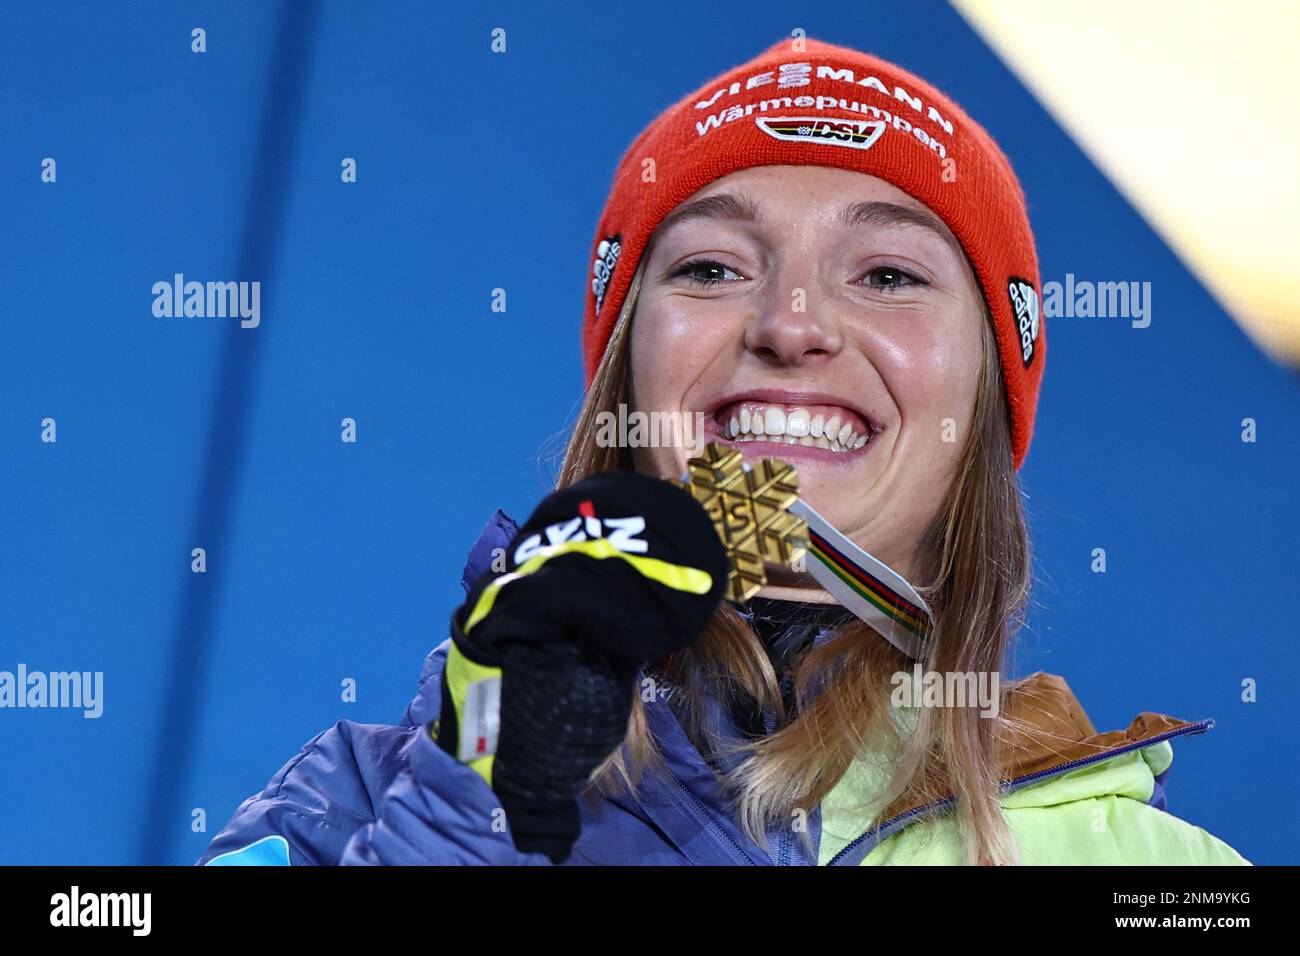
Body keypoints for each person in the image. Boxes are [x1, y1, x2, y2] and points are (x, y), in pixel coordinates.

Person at [198, 36, 1248, 866]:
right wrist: (480, 780)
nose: (791, 323)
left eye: (885, 274)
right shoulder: (344, 814)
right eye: (709, 265)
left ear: (982, 401)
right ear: (625, 374)